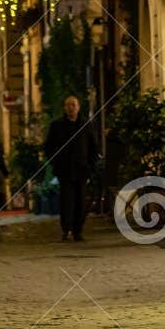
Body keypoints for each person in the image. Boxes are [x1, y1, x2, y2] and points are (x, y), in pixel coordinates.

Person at [43, 96, 96, 241]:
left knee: (80, 201)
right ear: (64, 108)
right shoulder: (57, 125)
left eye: (73, 105)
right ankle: (66, 229)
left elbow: (93, 146)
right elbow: (48, 146)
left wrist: (90, 165)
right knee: (66, 201)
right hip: (64, 170)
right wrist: (55, 162)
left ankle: (78, 230)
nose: (70, 108)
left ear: (78, 107)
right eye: (67, 105)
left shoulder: (86, 125)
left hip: (81, 169)